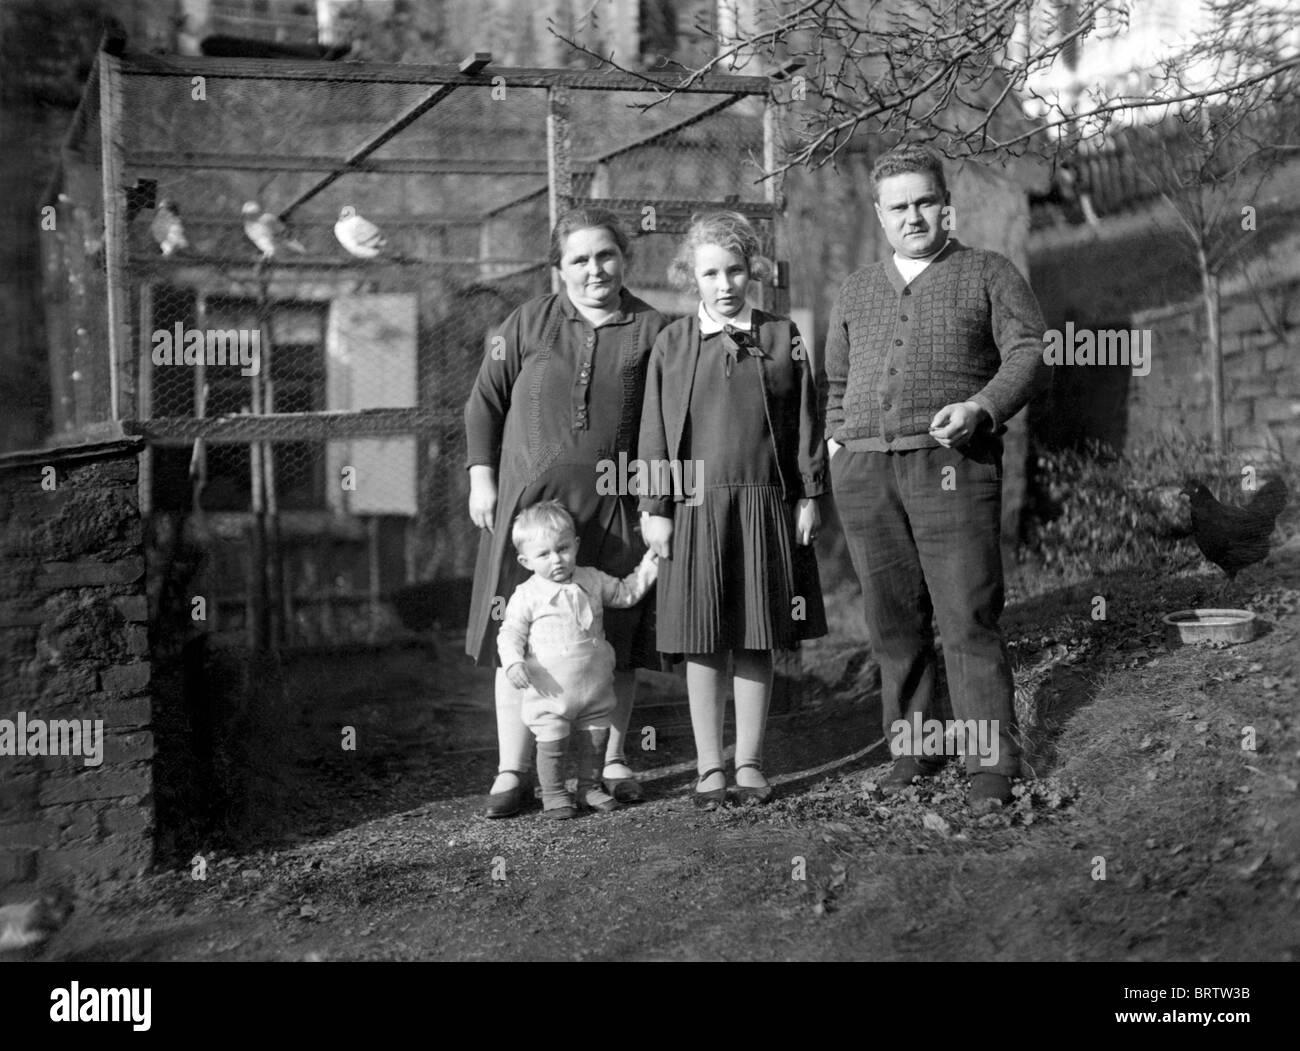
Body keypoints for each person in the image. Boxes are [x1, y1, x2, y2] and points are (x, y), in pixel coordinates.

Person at [821, 143, 1049, 814]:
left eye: (924, 201)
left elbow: (1029, 351)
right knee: (893, 620)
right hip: (865, 471)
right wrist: (839, 443)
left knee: (966, 613)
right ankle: (916, 748)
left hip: (952, 462)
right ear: (880, 214)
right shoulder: (857, 289)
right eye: (899, 206)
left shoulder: (987, 272)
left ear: (944, 205)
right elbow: (837, 381)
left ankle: (990, 762)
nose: (913, 215)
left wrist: (981, 406)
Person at [464, 207, 667, 818]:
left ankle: (611, 760)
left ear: (623, 259)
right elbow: (483, 402)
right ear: (558, 269)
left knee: (614, 641)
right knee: (519, 640)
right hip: (531, 514)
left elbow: (668, 423)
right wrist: (482, 477)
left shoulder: (654, 327)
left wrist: (659, 502)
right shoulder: (528, 322)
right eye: (578, 259)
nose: (593, 269)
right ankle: (513, 770)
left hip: (615, 508)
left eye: (605, 255)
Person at [639, 211, 827, 808]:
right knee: (703, 638)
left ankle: (748, 761)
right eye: (711, 273)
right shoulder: (672, 343)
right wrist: (655, 506)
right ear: (692, 277)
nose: (725, 284)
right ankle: (707, 766)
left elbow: (806, 422)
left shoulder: (780, 336)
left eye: (736, 270)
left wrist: (809, 494)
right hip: (693, 508)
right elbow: (652, 432)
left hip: (764, 505)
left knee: (755, 635)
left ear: (754, 272)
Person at [497, 501, 659, 819]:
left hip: (594, 685)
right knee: (552, 741)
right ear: (525, 560)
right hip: (551, 691)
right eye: (544, 554)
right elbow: (510, 632)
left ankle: (589, 786)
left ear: (576, 545)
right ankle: (555, 793)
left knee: (596, 737)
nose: (556, 560)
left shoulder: (593, 579)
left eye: (563, 549)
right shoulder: (527, 595)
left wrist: (651, 564)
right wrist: (514, 661)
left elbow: (625, 593)